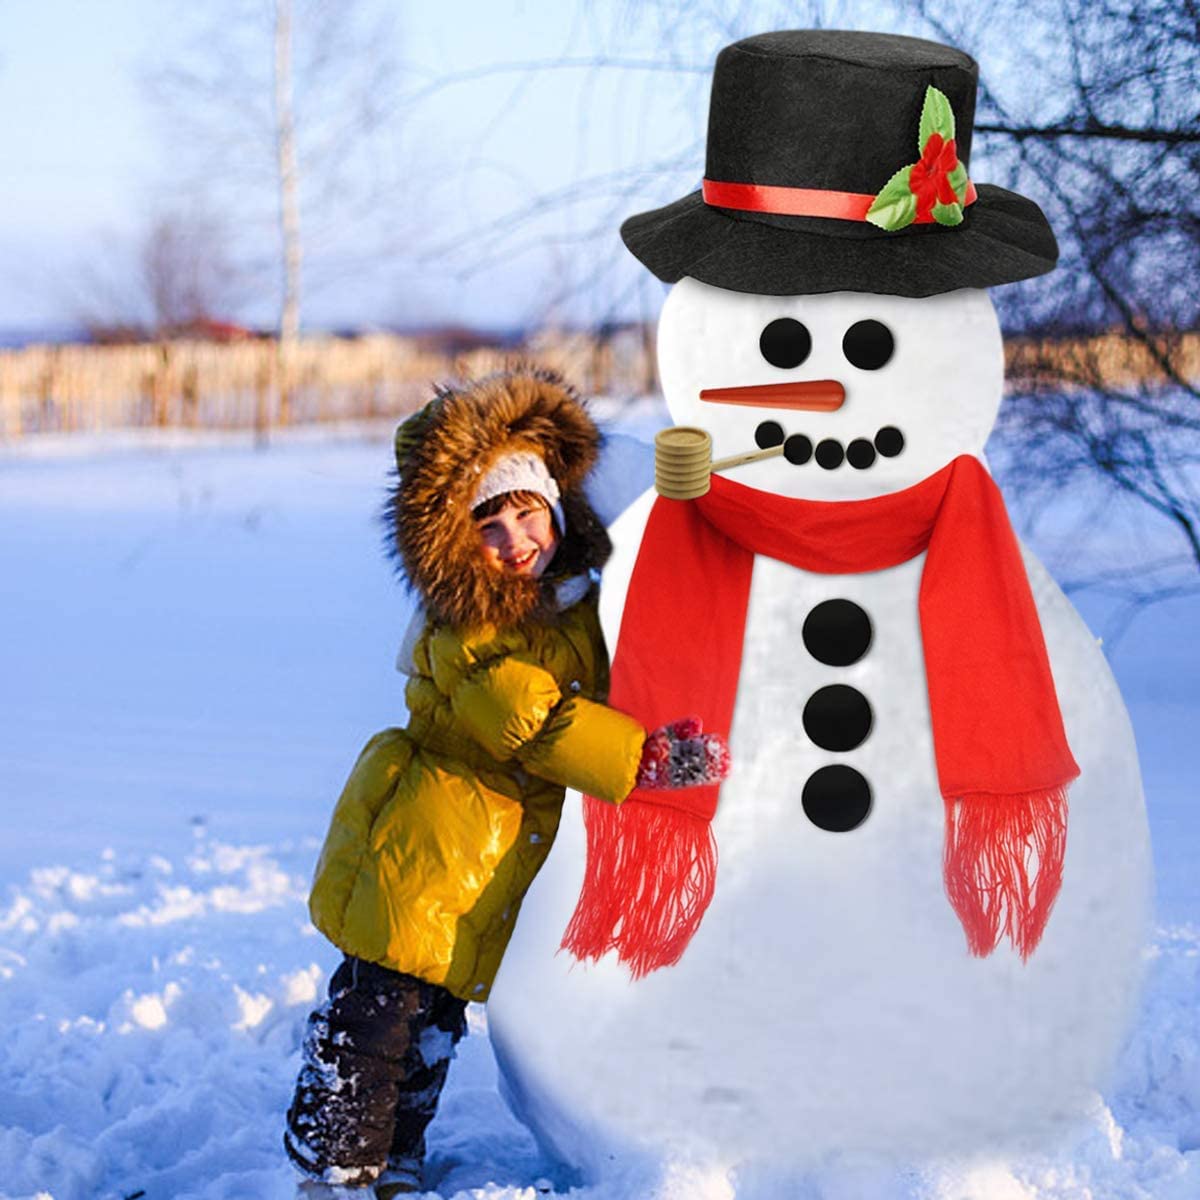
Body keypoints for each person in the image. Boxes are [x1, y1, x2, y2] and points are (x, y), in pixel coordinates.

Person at [284, 369, 729, 1196]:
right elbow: (534, 720)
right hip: (425, 842)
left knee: (432, 1026)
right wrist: (643, 760)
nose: (516, 538)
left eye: (529, 513)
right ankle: (338, 1162)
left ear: (558, 512)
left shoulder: (576, 606)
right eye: (490, 524)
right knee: (377, 1015)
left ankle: (398, 1156)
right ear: (459, 540)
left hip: (490, 859)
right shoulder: (466, 622)